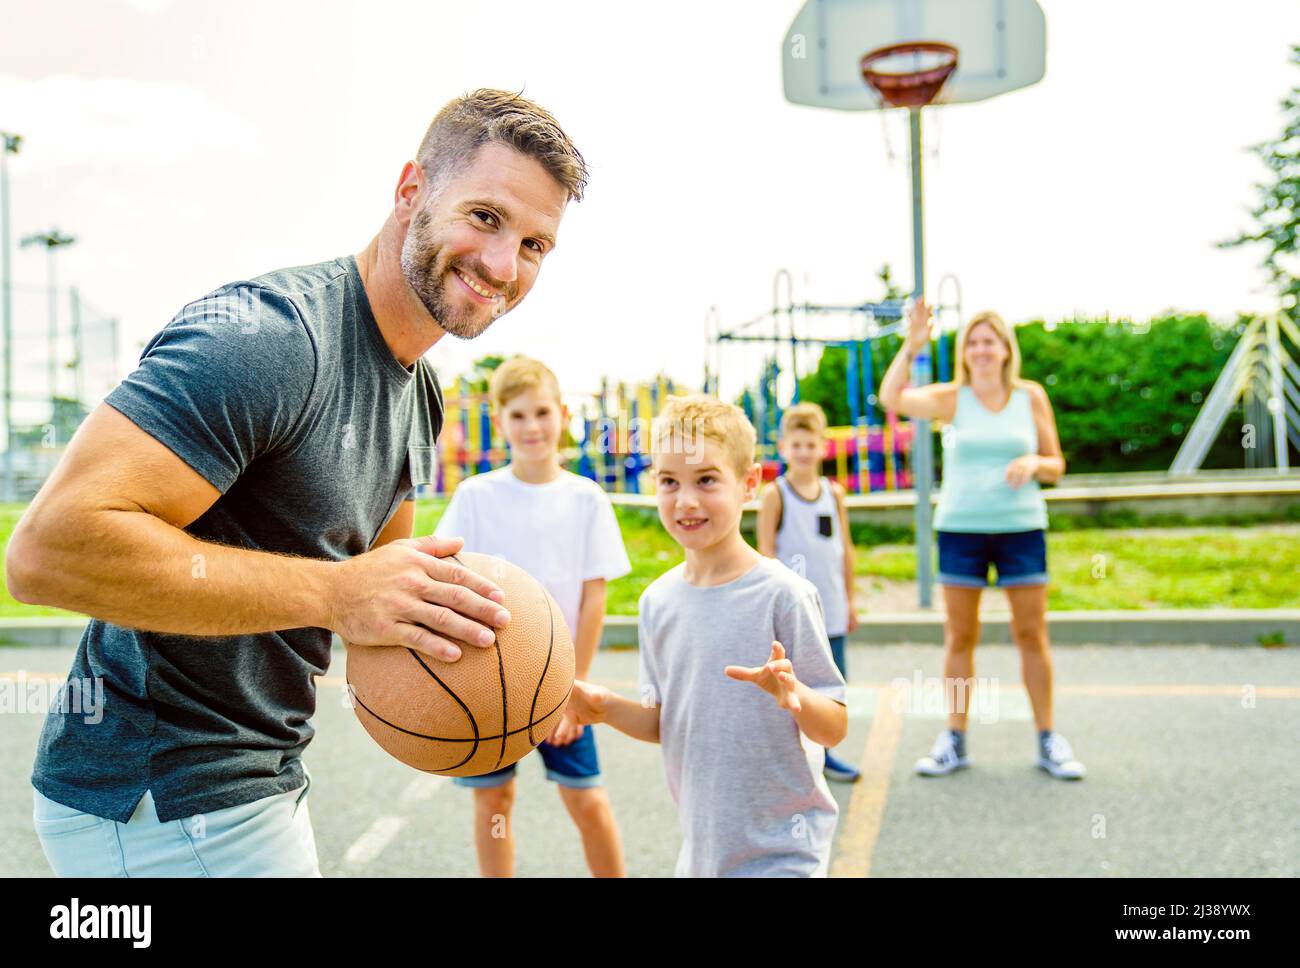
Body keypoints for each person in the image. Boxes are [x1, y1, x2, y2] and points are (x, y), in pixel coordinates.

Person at [8, 89, 589, 876]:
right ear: (411, 190)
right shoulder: (273, 339)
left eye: (534, 246)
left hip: (259, 780)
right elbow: (48, 552)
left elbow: (378, 604)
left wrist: (505, 664)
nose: (502, 266)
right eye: (485, 217)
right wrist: (338, 593)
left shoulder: (418, 396)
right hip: (159, 795)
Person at [565, 394, 849, 877]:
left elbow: (834, 726)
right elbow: (665, 722)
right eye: (669, 481)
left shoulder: (784, 594)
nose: (686, 500)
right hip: (703, 855)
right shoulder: (657, 602)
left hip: (785, 853)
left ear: (749, 484)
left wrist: (793, 693)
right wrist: (606, 708)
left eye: (707, 480)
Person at [434, 356, 630, 877]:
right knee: (494, 805)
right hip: (489, 684)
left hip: (562, 682)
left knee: (588, 802)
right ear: (499, 421)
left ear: (564, 414)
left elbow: (594, 601)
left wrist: (574, 688)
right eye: (518, 415)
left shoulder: (586, 498)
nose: (532, 426)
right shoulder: (477, 496)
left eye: (542, 412)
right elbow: (448, 574)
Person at [878, 300, 1085, 781]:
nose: (981, 349)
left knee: (1031, 635)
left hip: (1021, 529)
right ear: (965, 352)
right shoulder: (953, 398)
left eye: (989, 340)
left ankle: (1048, 738)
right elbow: (892, 398)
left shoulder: (1029, 397)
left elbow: (1056, 465)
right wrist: (912, 345)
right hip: (961, 530)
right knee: (960, 637)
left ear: (1005, 348)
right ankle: (955, 739)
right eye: (972, 341)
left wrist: (1034, 464)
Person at [757, 401, 861, 783]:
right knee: (789, 685)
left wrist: (851, 599)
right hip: (793, 615)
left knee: (831, 687)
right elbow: (766, 552)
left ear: (822, 447)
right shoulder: (776, 495)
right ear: (784, 448)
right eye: (795, 444)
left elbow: (844, 549)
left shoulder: (834, 494)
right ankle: (790, 758)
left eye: (810, 444)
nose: (803, 452)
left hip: (830, 610)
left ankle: (826, 754)